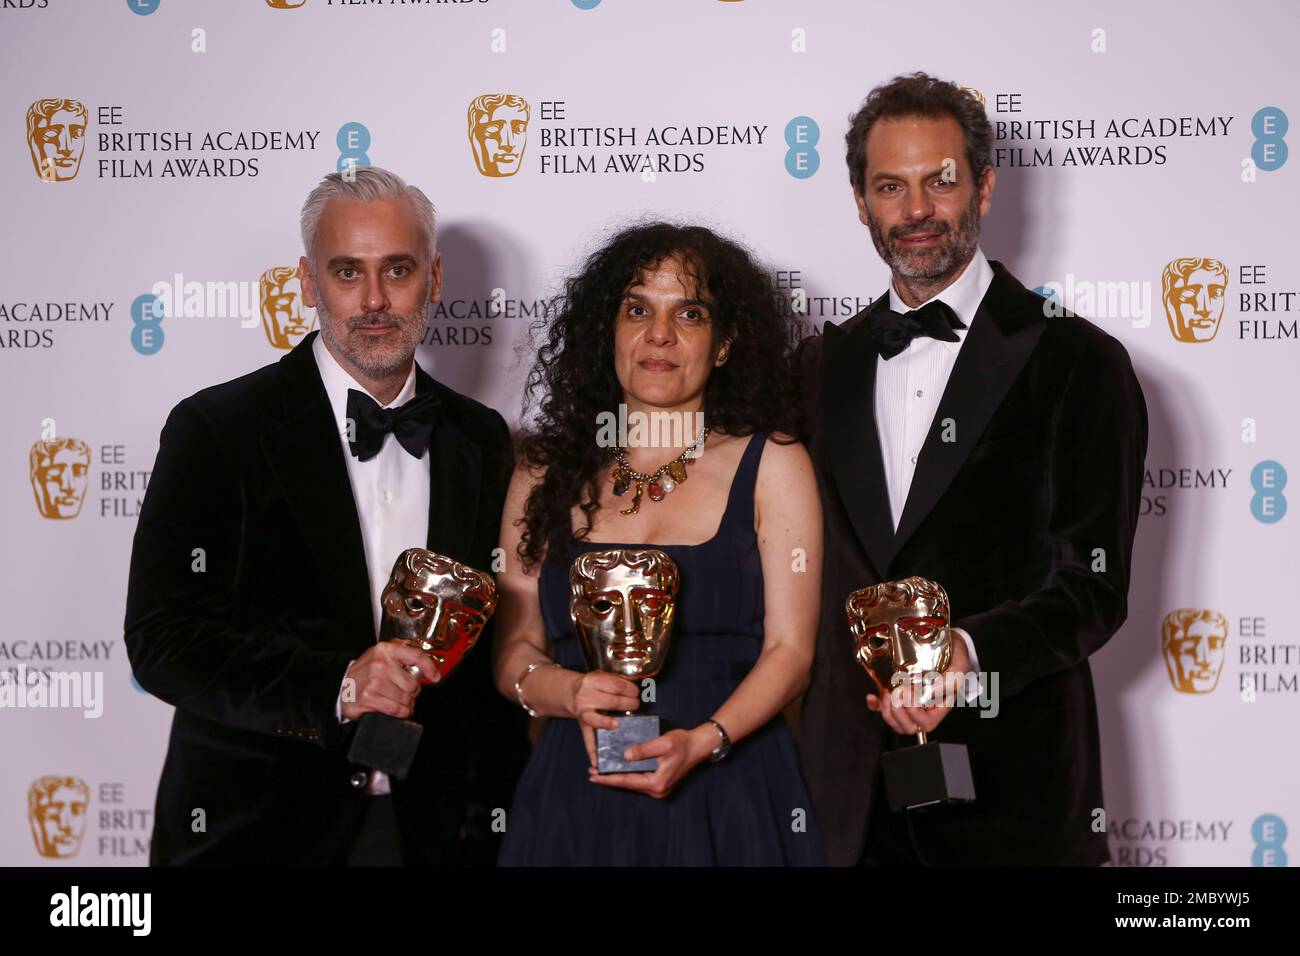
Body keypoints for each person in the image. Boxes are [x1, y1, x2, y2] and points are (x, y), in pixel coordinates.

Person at [124, 166, 527, 865]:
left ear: (433, 277)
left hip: (433, 837)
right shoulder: (218, 429)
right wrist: (337, 685)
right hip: (258, 837)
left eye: (397, 270)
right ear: (308, 284)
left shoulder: (480, 436)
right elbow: (163, 641)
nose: (374, 300)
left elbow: (493, 641)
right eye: (347, 272)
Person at [795, 73, 1148, 866]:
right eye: (891, 186)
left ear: (983, 186)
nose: (916, 210)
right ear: (860, 201)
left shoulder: (1079, 361)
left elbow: (1092, 585)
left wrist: (966, 651)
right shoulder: (815, 370)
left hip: (1014, 797)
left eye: (940, 181)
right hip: (846, 800)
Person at [492, 222, 826, 865]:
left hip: (730, 790)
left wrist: (705, 741)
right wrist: (567, 691)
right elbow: (513, 650)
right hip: (574, 795)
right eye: (637, 309)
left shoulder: (773, 463)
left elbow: (792, 652)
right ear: (608, 330)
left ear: (725, 343)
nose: (660, 335)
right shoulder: (541, 471)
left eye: (690, 313)